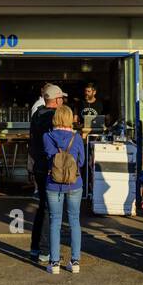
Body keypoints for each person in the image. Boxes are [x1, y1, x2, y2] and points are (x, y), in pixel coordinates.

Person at [42, 104, 85, 274]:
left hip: (53, 183)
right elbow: (80, 163)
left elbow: (47, 158)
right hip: (74, 183)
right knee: (74, 220)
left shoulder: (47, 136)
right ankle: (75, 262)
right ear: (70, 119)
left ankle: (54, 263)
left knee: (55, 221)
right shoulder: (77, 138)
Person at [28, 84, 64, 266]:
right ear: (56, 100)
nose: (63, 101)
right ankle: (45, 251)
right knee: (51, 209)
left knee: (43, 207)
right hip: (50, 167)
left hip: (38, 166)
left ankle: (35, 248)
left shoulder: (36, 114)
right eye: (61, 99)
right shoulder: (53, 117)